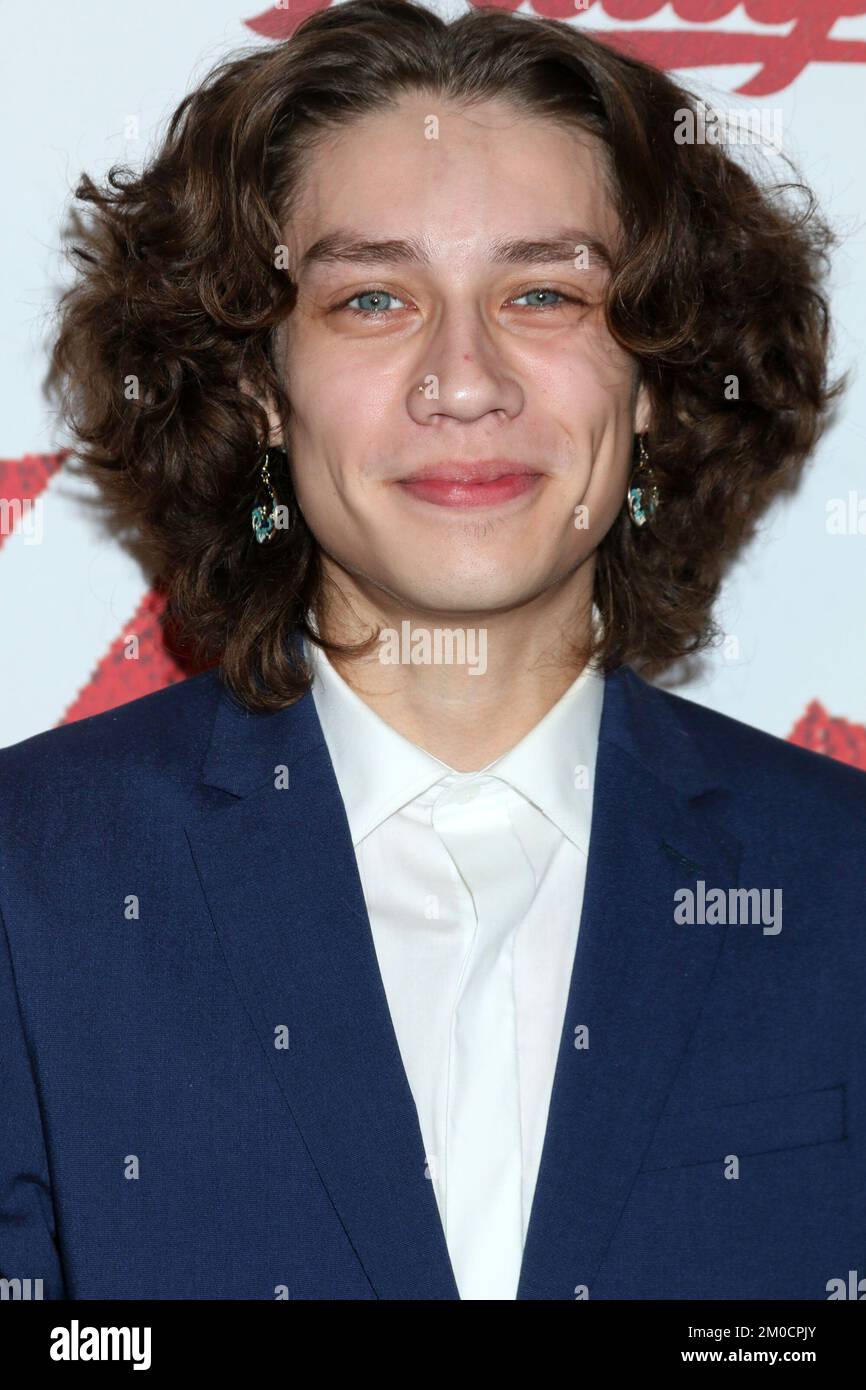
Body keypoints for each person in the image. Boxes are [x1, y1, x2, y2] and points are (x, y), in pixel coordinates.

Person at [2, 0, 864, 1301]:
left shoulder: (841, 882)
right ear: (257, 388)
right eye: (368, 298)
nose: (462, 379)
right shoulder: (33, 882)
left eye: (542, 292)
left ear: (653, 379)